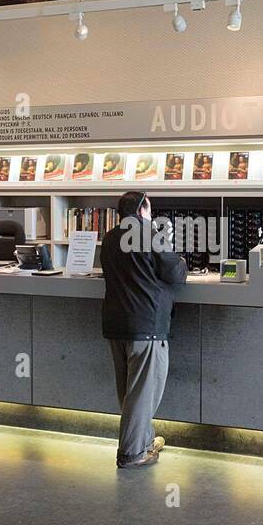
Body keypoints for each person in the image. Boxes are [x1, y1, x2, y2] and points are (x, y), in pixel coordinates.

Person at [101, 191, 188, 468]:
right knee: (144, 392)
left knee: (130, 392)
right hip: (146, 325)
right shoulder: (149, 233)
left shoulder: (110, 237)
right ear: (142, 211)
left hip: (116, 325)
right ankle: (131, 454)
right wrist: (182, 261)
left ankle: (145, 441)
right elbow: (175, 273)